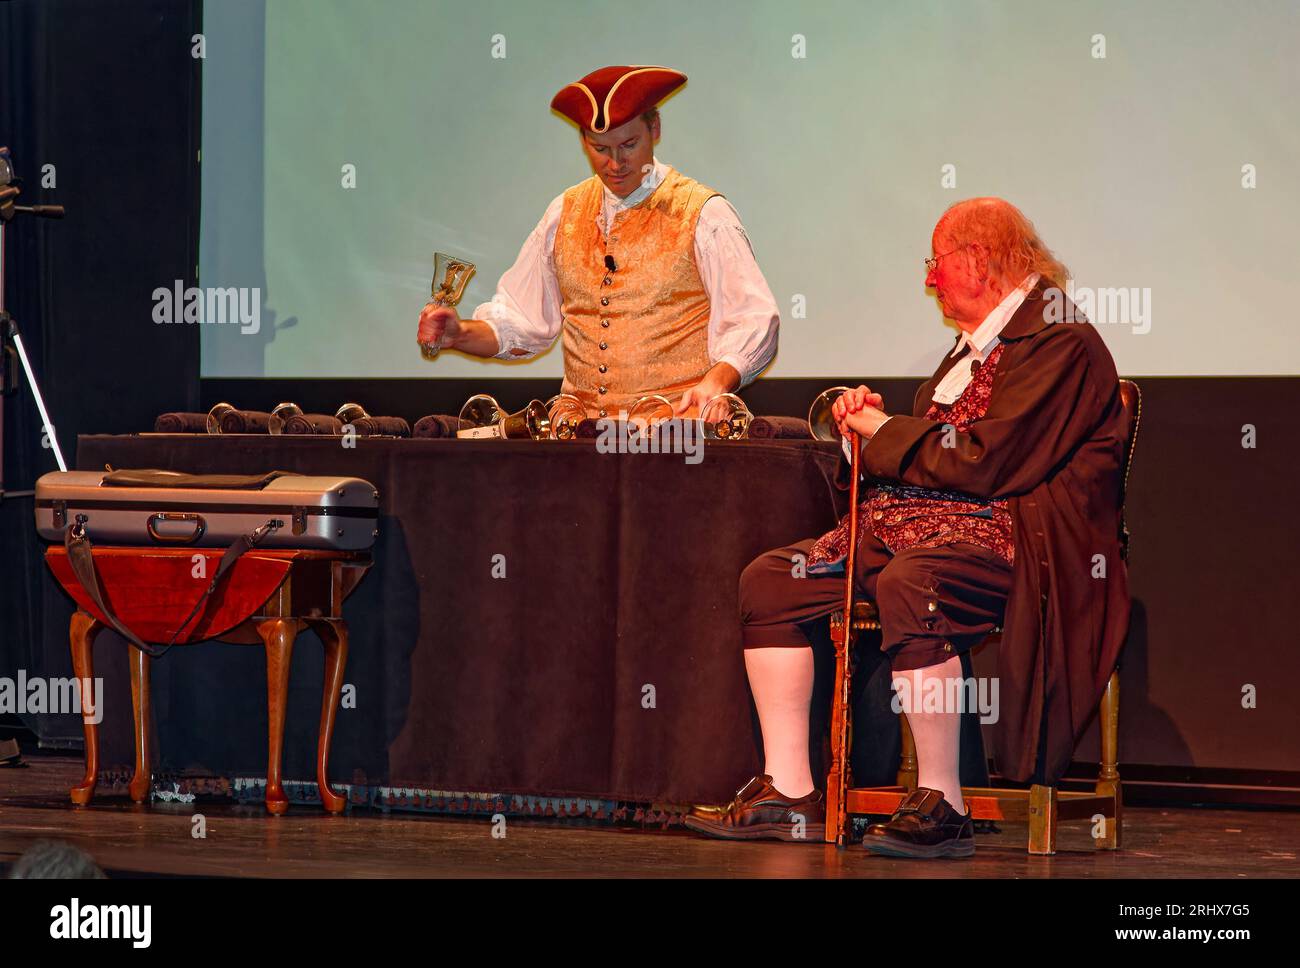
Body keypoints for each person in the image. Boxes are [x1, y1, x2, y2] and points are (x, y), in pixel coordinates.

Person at [686, 197, 1130, 857]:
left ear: (980, 261)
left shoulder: (1059, 341)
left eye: (937, 263)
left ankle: (943, 801)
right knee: (774, 580)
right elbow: (933, 455)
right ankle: (792, 794)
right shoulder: (973, 351)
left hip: (1025, 543)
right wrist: (862, 431)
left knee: (914, 581)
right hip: (932, 536)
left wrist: (886, 431)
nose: (929, 280)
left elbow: (987, 461)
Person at [415, 65, 779, 418]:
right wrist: (460, 333)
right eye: (600, 148)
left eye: (629, 144)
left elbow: (752, 318)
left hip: (673, 434)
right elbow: (523, 319)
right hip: (580, 434)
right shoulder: (564, 213)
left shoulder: (703, 214)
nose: (615, 163)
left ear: (655, 128)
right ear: (583, 141)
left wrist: (717, 381)